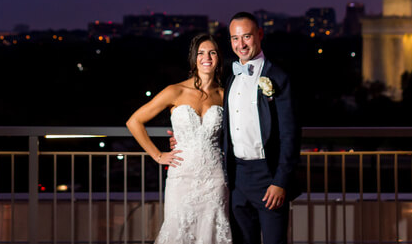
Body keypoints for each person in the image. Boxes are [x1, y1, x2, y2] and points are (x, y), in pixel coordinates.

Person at [126, 33, 232, 244]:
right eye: (201, 53)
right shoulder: (175, 91)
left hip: (215, 176)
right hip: (181, 175)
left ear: (219, 57)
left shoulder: (224, 95)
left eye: (212, 52)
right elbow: (134, 121)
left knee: (212, 232)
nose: (207, 57)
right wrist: (157, 155)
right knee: (178, 231)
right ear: (194, 59)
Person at [222, 12, 300, 244]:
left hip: (268, 177)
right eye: (235, 39)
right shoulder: (231, 79)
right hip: (236, 179)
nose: (241, 44)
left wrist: (280, 182)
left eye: (246, 36)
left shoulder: (278, 78)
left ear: (259, 34)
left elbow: (290, 134)